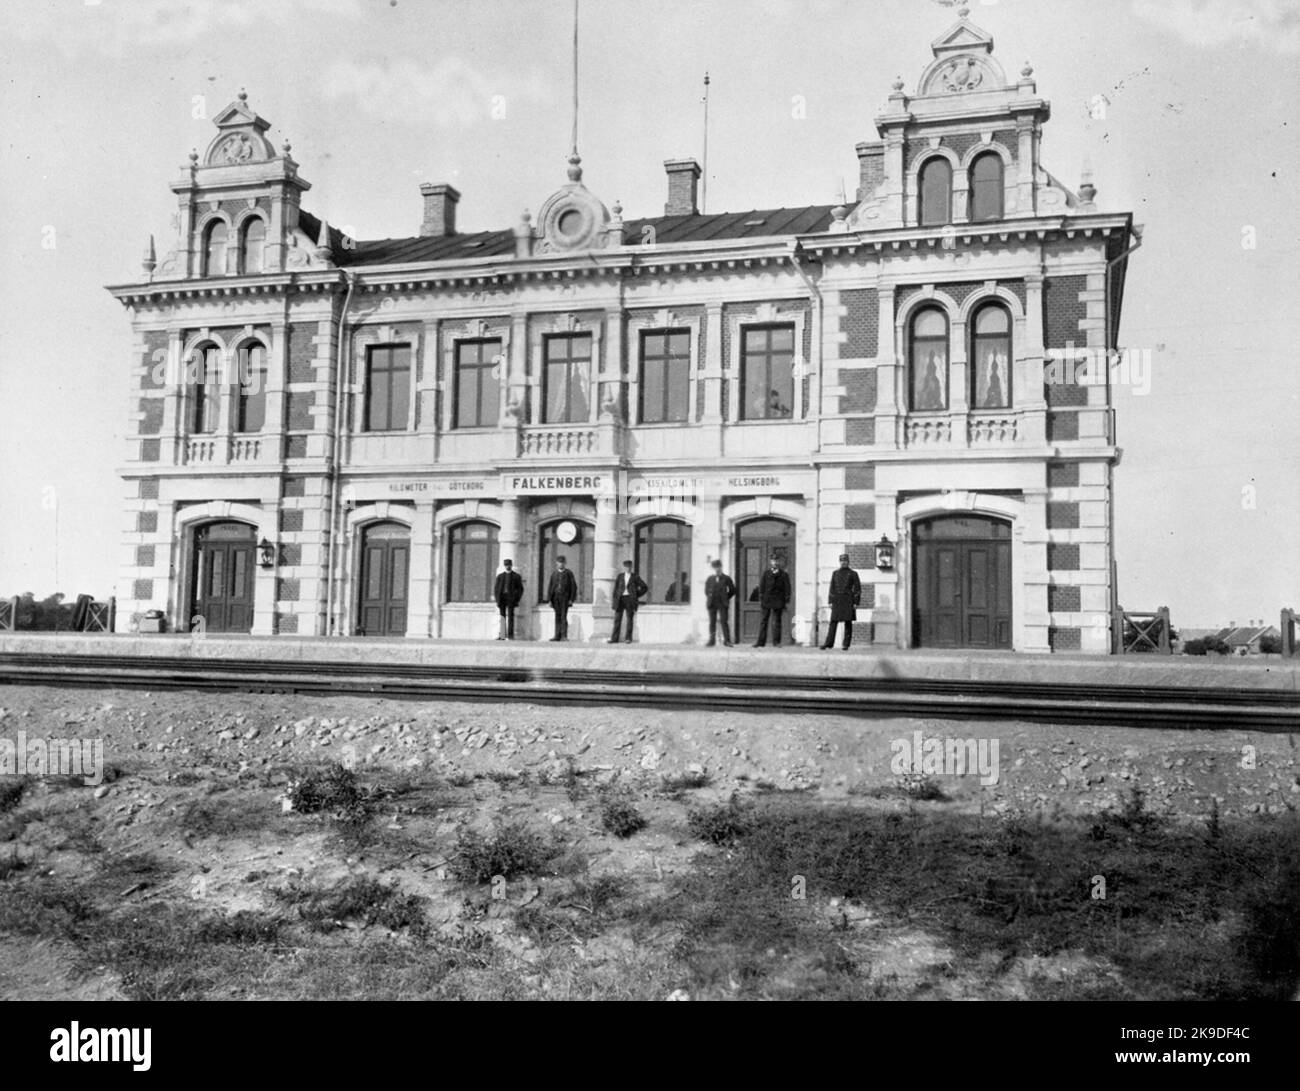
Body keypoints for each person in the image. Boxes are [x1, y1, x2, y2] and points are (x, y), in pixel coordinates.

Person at [821, 553, 861, 651]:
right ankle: (829, 643)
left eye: (845, 561)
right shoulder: (835, 573)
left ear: (848, 562)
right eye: (842, 561)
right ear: (840, 562)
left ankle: (846, 644)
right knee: (833, 622)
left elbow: (857, 589)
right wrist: (830, 601)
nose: (843, 562)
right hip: (837, 600)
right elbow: (832, 587)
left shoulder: (853, 574)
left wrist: (856, 602)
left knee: (848, 623)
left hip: (848, 600)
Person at [753, 556, 791, 648]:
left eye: (777, 561)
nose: (775, 563)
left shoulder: (783, 574)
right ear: (770, 562)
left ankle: (776, 642)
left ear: (779, 562)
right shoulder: (766, 574)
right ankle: (760, 642)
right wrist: (761, 599)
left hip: (778, 601)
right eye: (773, 561)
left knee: (777, 621)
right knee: (763, 621)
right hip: (767, 600)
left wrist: (785, 601)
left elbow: (787, 588)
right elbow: (762, 587)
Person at [609, 559, 648, 644]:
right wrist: (614, 600)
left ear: (631, 567)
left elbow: (644, 587)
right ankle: (614, 639)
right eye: (626, 567)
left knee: (629, 619)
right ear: (624, 567)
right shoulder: (620, 576)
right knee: (617, 619)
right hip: (620, 599)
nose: (628, 568)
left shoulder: (635, 576)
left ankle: (628, 638)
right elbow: (615, 589)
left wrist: (636, 595)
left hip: (630, 599)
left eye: (629, 567)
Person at [704, 558, 736, 647]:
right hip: (712, 603)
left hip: (722, 603)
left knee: (724, 621)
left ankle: (727, 641)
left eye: (718, 567)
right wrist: (711, 598)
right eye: (715, 567)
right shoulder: (710, 579)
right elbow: (706, 591)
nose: (716, 569)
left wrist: (726, 597)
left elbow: (733, 590)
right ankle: (712, 641)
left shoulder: (726, 578)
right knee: (712, 622)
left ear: (721, 567)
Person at [545, 555, 578, 641]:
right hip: (556, 598)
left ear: (565, 563)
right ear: (556, 563)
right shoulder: (554, 574)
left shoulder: (568, 573)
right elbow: (551, 586)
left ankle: (564, 636)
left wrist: (571, 599)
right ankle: (557, 636)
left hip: (565, 598)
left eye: (562, 563)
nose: (560, 564)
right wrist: (549, 600)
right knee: (557, 616)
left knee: (563, 616)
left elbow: (573, 586)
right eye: (559, 563)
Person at [493, 559, 524, 640]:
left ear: (511, 565)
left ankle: (510, 635)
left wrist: (516, 598)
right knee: (502, 617)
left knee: (511, 617)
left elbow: (520, 589)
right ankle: (502, 635)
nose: (508, 566)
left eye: (509, 564)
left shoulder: (516, 576)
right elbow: (496, 589)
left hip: (511, 599)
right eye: (506, 565)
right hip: (502, 598)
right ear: (504, 565)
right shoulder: (500, 576)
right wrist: (497, 599)